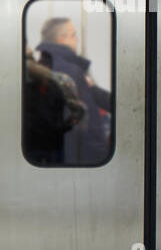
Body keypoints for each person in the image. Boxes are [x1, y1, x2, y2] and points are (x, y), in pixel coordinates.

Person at [36, 17, 112, 165]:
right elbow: (90, 127)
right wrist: (103, 157)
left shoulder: (41, 68)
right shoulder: (72, 72)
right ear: (61, 39)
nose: (77, 39)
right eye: (73, 35)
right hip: (78, 160)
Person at [23, 48, 85, 165]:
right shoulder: (59, 80)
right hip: (53, 145)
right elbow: (78, 111)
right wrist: (63, 127)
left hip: (27, 144)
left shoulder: (16, 81)